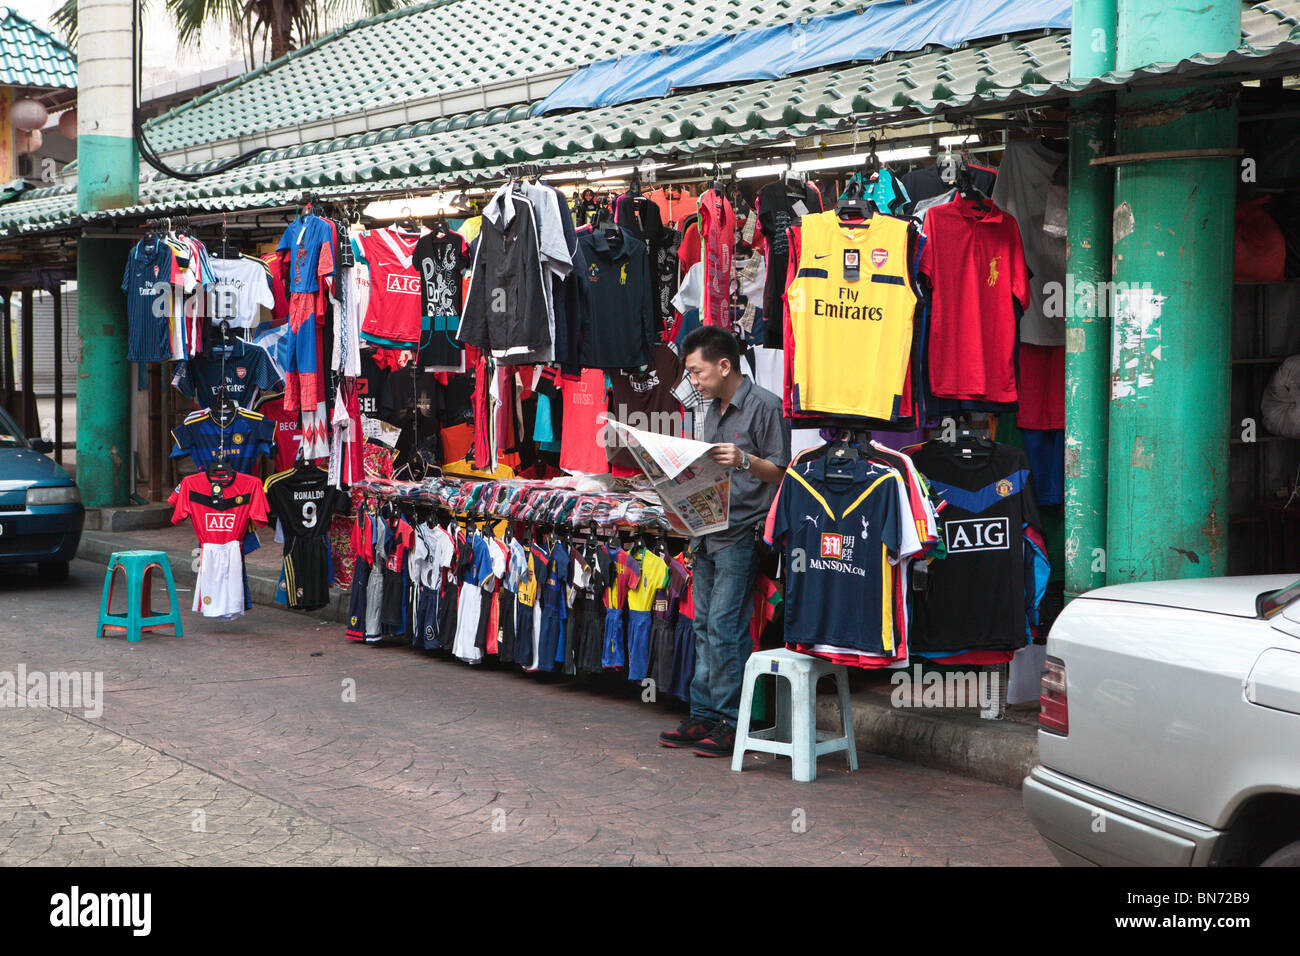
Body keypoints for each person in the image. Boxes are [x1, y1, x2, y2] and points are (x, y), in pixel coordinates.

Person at [659, 326, 790, 757]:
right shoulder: (710, 409)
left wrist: (745, 460)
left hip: (741, 533)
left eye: (696, 372)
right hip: (707, 530)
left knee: (726, 627)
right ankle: (703, 715)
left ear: (724, 365)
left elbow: (783, 472)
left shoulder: (765, 407)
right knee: (703, 625)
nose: (693, 381)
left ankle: (732, 723)